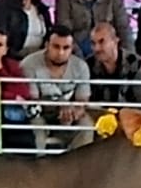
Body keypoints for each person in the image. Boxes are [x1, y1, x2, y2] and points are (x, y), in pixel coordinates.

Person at [21, 24, 93, 152]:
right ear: (47, 45)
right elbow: (32, 101)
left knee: (86, 125)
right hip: (39, 114)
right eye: (56, 46)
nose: (61, 52)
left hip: (69, 114)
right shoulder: (29, 64)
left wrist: (73, 112)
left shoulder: (81, 66)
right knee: (37, 128)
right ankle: (40, 162)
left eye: (66, 48)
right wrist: (60, 105)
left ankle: (78, 163)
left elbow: (82, 100)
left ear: (72, 48)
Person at [86, 21, 141, 105]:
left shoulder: (136, 63)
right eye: (93, 43)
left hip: (130, 112)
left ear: (115, 41)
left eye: (101, 42)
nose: (96, 48)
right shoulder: (88, 65)